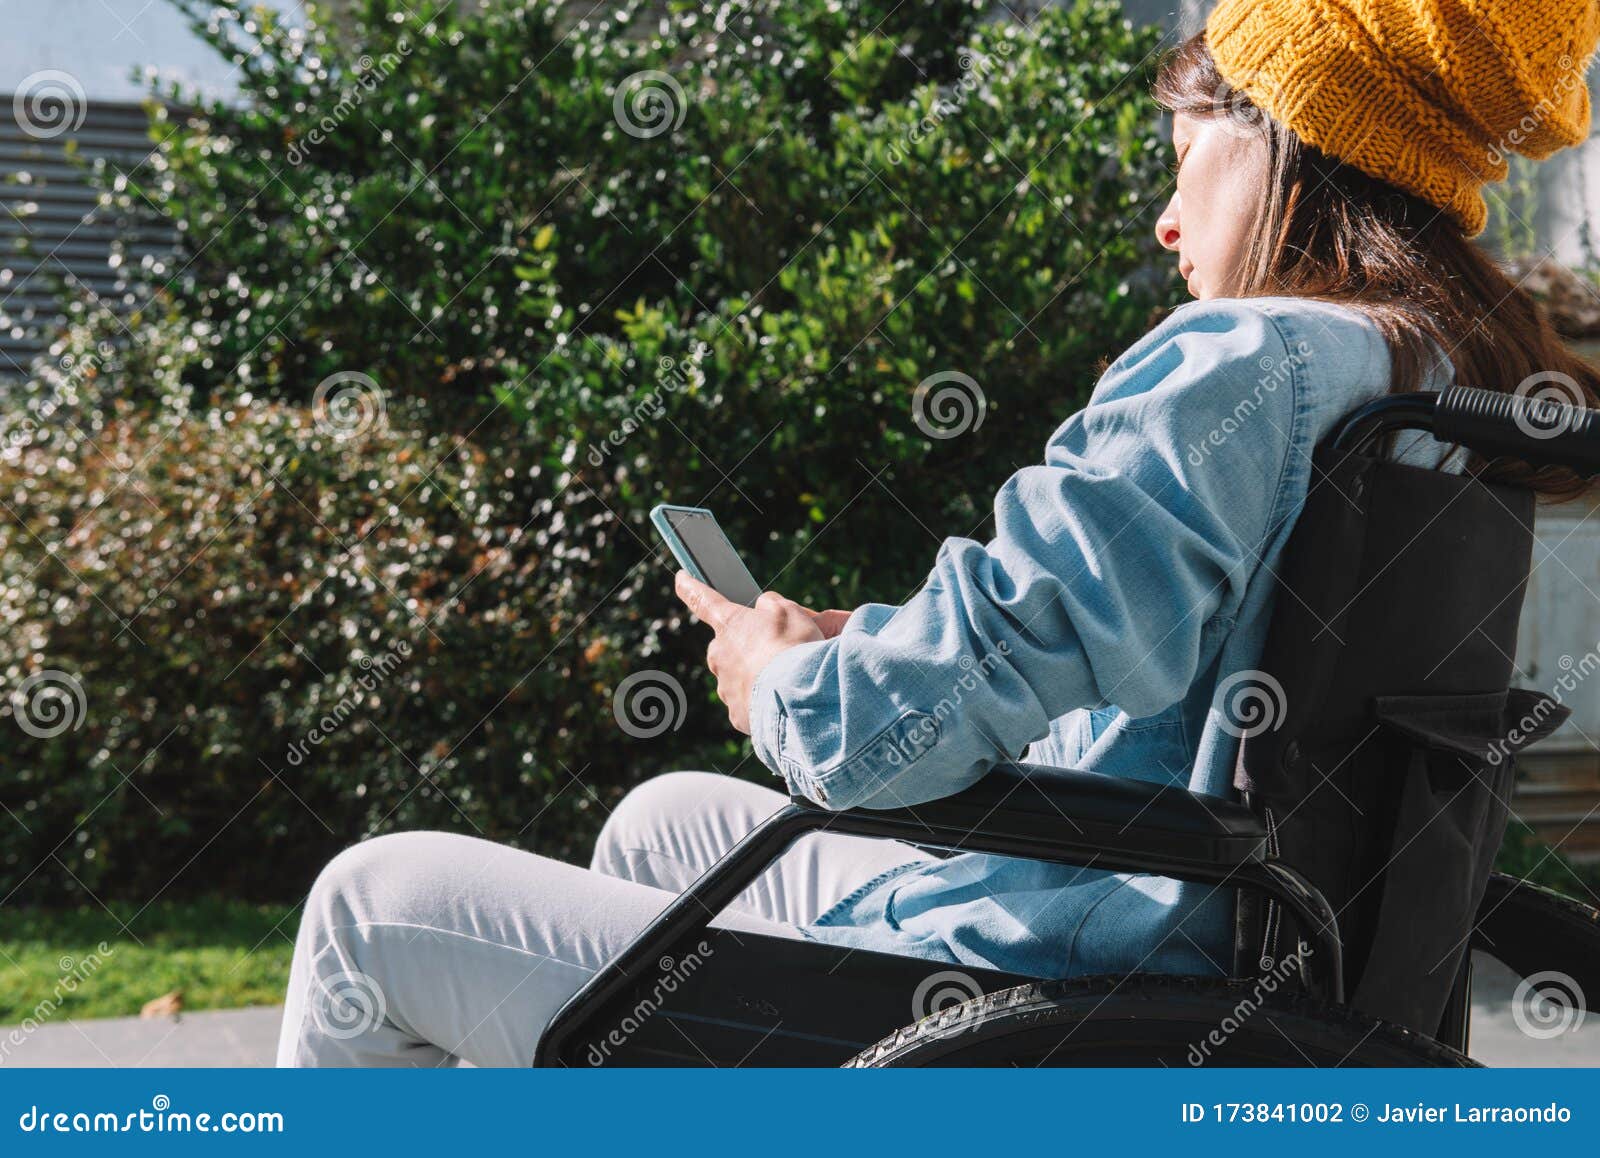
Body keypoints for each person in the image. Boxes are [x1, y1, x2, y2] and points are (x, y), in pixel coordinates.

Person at [278, 0, 1600, 1066]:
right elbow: (1124, 662)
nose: (1166, 214)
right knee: (665, 819)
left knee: (367, 909)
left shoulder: (1245, 363)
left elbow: (912, 719)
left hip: (1055, 990)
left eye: (1184, 148)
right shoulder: (1435, 380)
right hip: (1231, 942)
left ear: (1285, 140)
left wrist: (782, 681)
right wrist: (872, 638)